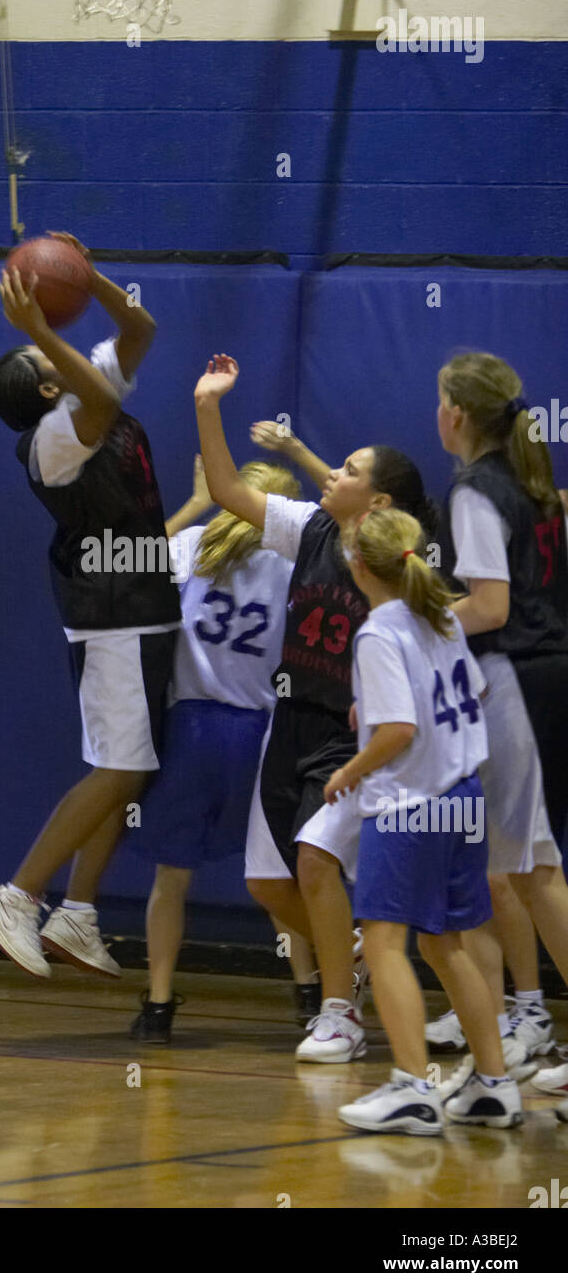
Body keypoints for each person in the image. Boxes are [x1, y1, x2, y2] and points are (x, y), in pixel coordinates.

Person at [195, 354, 437, 1063]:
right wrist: (207, 406)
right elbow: (224, 488)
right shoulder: (310, 528)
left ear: (380, 503)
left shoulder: (400, 561)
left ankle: (340, 1011)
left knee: (312, 860)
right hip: (289, 719)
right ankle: (355, 955)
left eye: (351, 470)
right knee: (267, 882)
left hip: (349, 731)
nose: (333, 473)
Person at [0, 235, 181, 978]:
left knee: (127, 768)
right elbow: (96, 394)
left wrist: (84, 274)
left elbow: (140, 331)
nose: (58, 348)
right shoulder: (53, 440)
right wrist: (34, 331)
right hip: (112, 614)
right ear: (40, 389)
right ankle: (18, 894)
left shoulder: (79, 390)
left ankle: (79, 913)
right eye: (44, 358)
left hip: (145, 604)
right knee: (117, 770)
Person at [329, 508, 522, 1133]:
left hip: (411, 805)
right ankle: (495, 1086)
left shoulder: (380, 631)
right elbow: (475, 696)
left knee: (385, 942)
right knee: (448, 942)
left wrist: (349, 770)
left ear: (359, 567)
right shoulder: (440, 617)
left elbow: (399, 731)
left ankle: (413, 1088)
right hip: (464, 797)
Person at [431, 352, 568, 1108]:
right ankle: (499, 1052)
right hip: (546, 673)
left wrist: (411, 621)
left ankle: (492, 1064)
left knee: (525, 872)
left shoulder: (475, 491)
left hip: (516, 679)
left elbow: (487, 607)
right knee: (529, 868)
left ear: (454, 413)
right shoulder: (532, 482)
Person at [128, 458, 301, 1042]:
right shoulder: (291, 564)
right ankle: (310, 993)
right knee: (276, 877)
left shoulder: (192, 546)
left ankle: (157, 1005)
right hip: (257, 730)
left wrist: (198, 499)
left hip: (190, 728)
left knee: (170, 878)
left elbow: (134, 557)